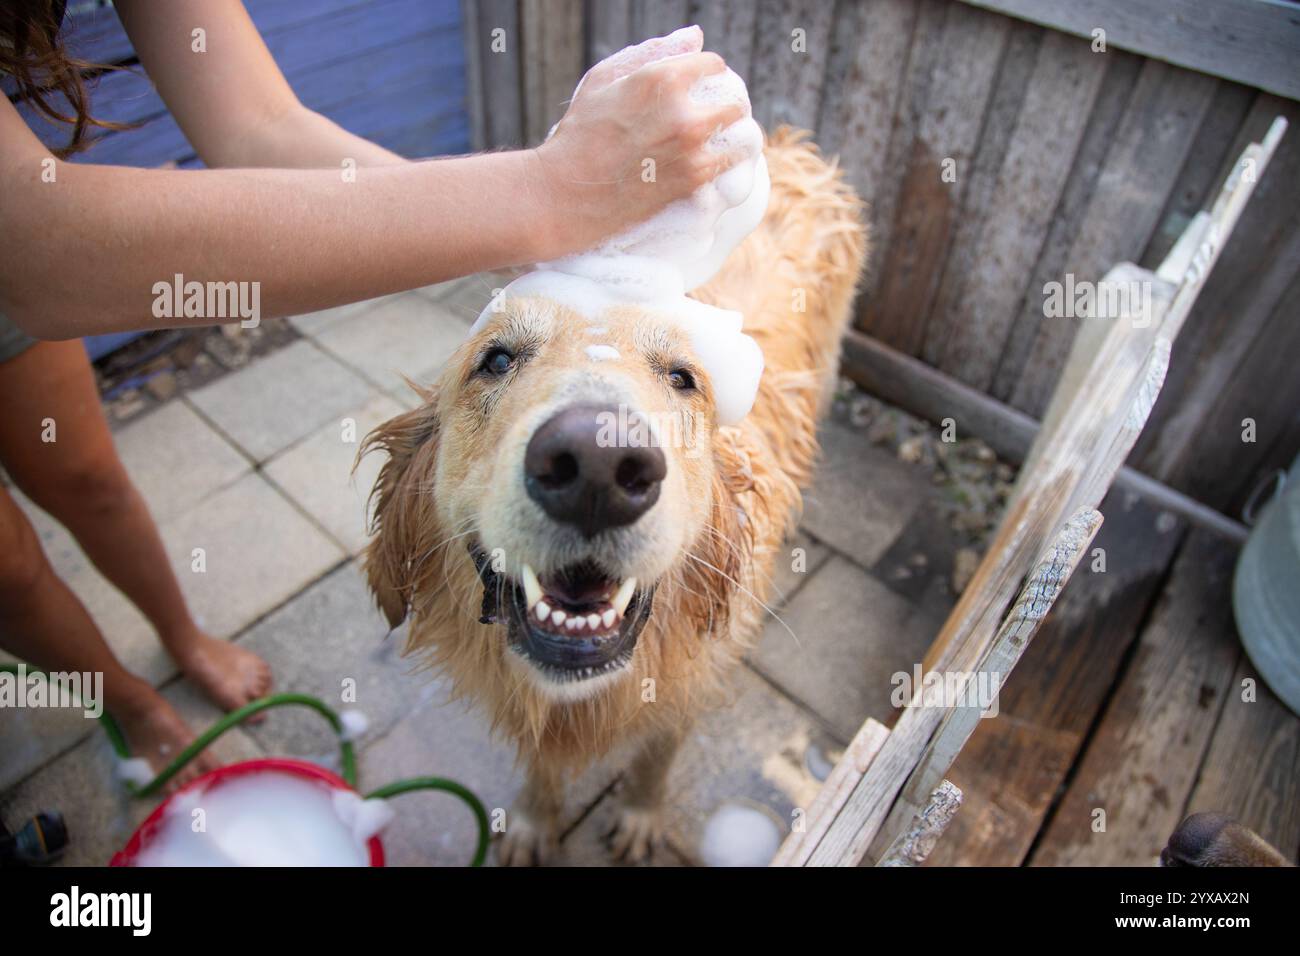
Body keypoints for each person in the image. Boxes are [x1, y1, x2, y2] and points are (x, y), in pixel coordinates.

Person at [0, 0, 743, 787]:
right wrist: (544, 196)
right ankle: (133, 699)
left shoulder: (725, 530)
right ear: (411, 502)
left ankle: (180, 636)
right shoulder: (421, 499)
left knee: (83, 478)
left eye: (680, 378)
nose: (599, 450)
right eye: (500, 363)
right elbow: (25, 247)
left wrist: (539, 226)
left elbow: (261, 127)